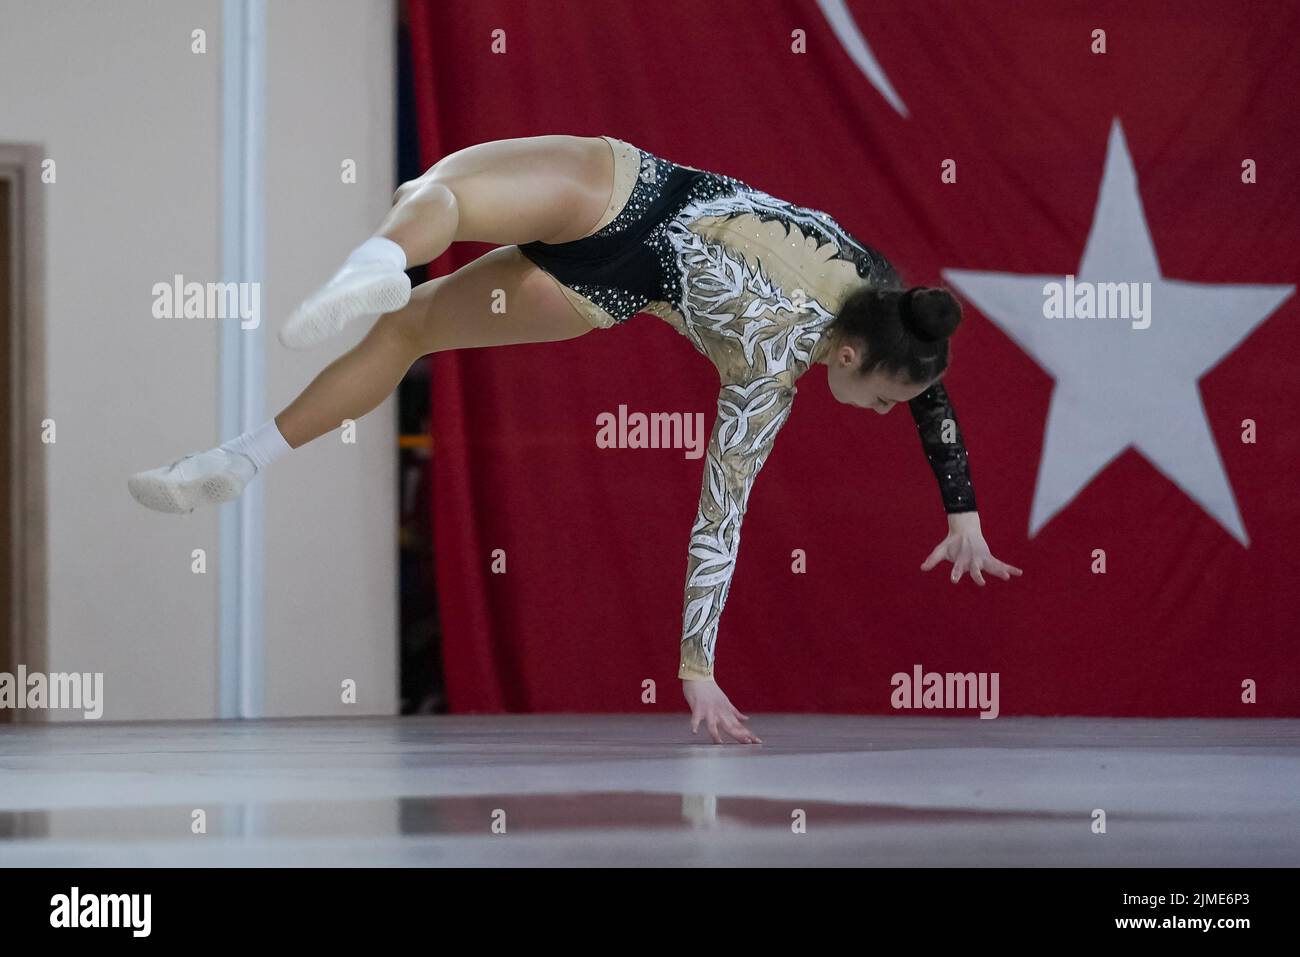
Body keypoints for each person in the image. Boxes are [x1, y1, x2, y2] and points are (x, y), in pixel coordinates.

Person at [129, 134, 1022, 744]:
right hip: (612, 285)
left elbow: (923, 386)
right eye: (874, 399)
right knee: (410, 333)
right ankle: (241, 458)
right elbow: (722, 520)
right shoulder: (767, 378)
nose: (873, 412)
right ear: (856, 353)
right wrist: (695, 668)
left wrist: (962, 506)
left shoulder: (875, 279)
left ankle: (378, 263)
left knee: (437, 191)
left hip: (622, 187)